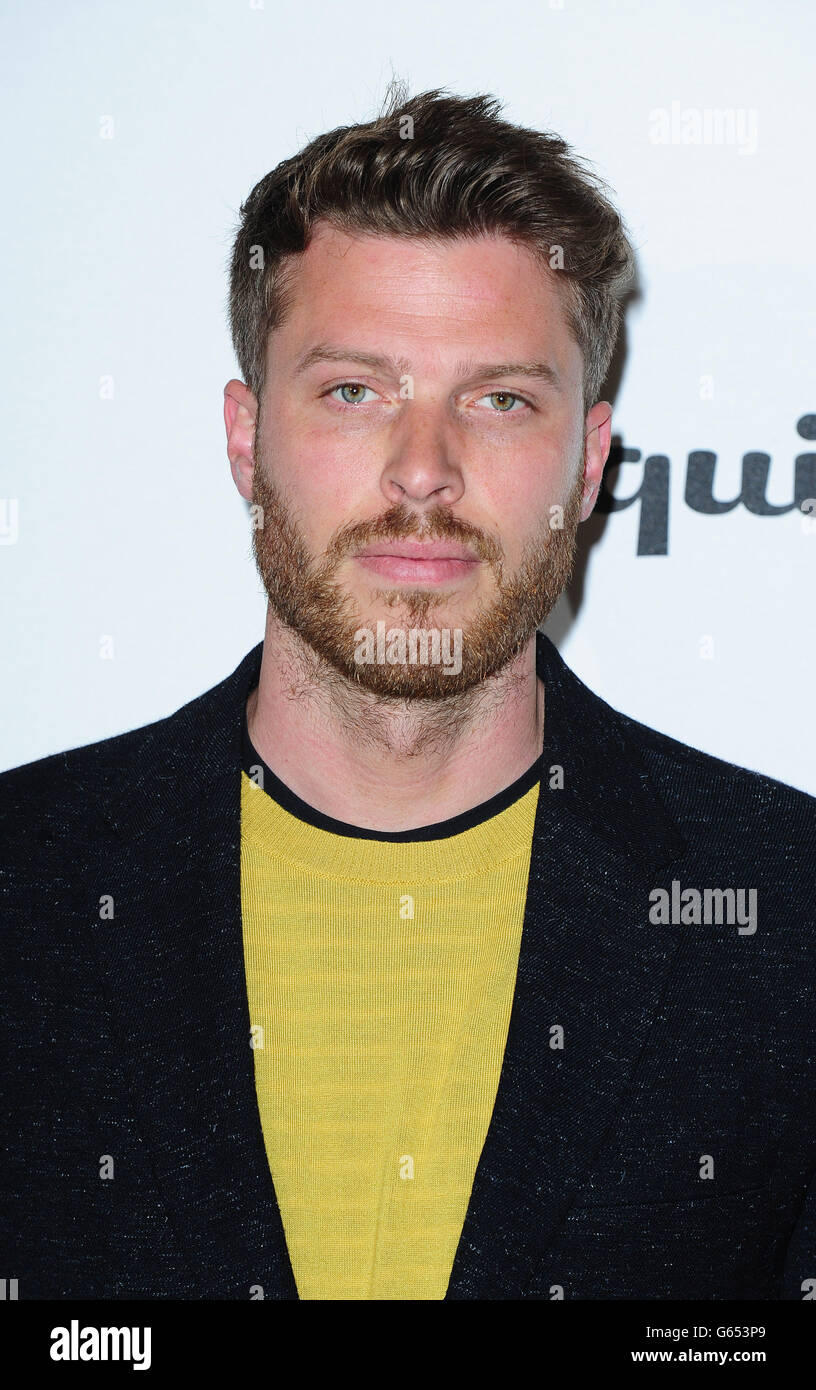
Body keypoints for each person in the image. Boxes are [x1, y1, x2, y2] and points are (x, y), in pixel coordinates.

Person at [1, 83, 813, 1302]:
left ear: (588, 462)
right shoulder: (29, 883)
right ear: (245, 438)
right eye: (352, 391)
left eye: (499, 399)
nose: (423, 471)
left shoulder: (784, 913)